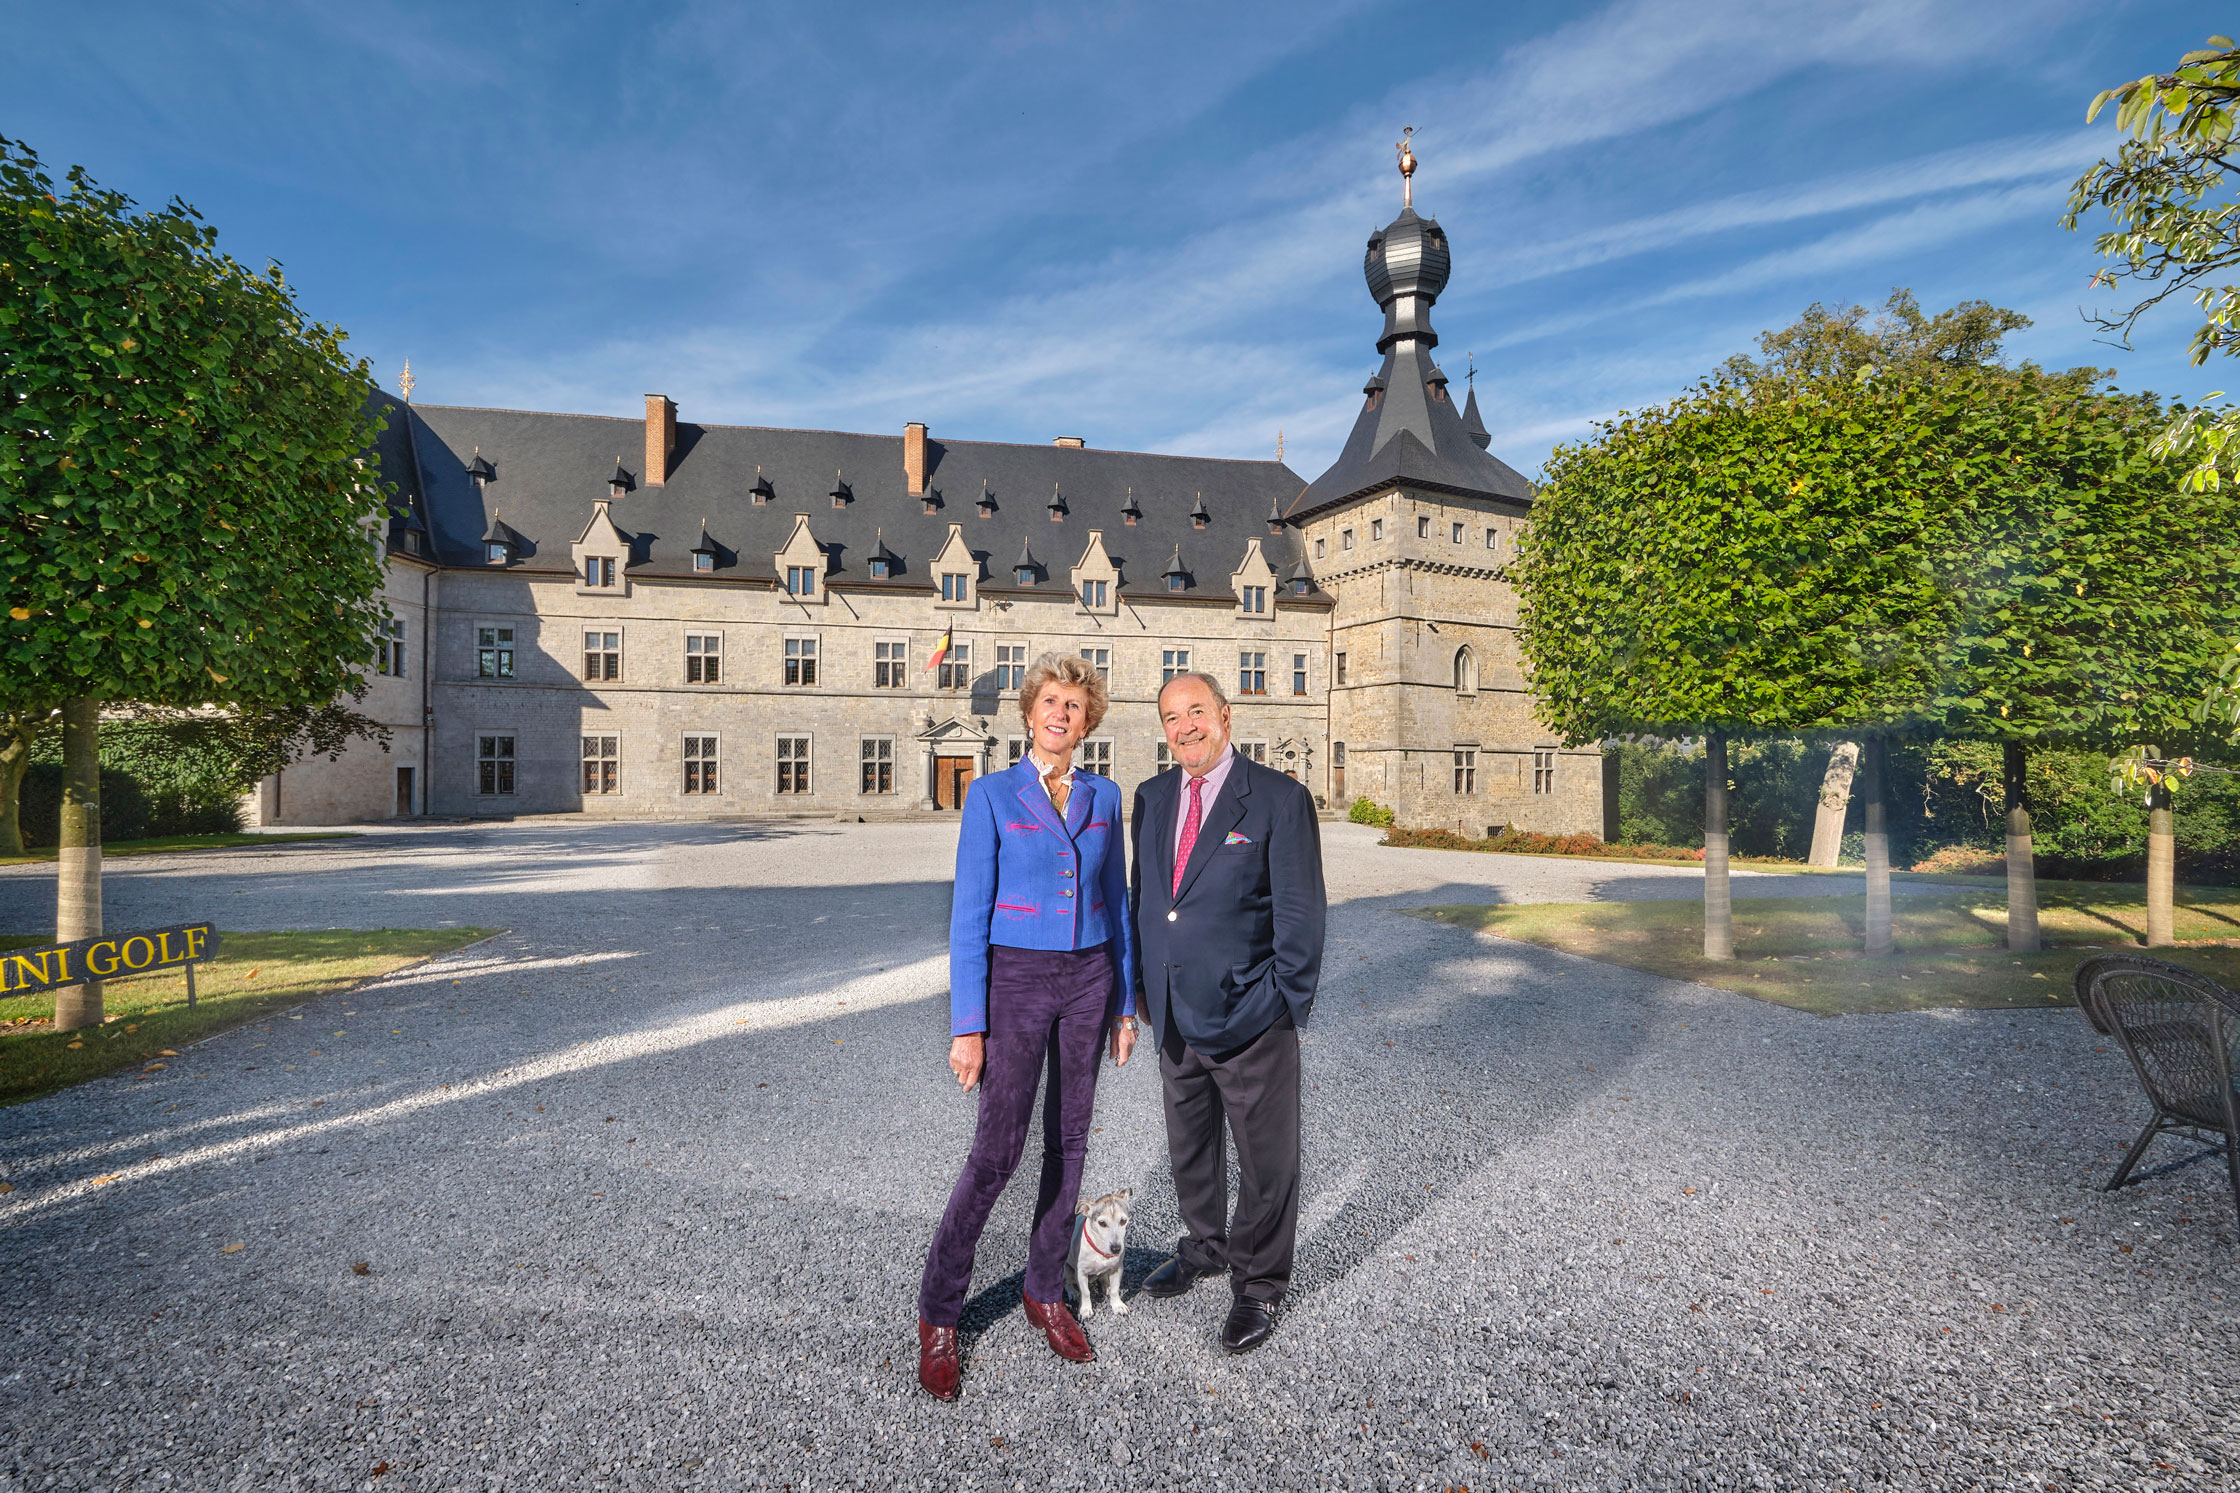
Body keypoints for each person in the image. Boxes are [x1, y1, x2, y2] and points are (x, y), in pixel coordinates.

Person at [916, 653, 1141, 1401]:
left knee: (1070, 1138)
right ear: (1030, 711)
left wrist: (1125, 1002)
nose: (1061, 714)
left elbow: (1118, 902)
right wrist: (967, 1024)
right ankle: (940, 1311)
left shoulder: (1106, 797)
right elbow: (966, 916)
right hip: (1014, 977)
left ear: (1089, 719)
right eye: (1051, 700)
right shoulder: (991, 793)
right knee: (996, 1150)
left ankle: (1046, 1288)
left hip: (1089, 980)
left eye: (1075, 705)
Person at [1129, 670, 1325, 1355]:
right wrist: (1144, 991)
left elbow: (1302, 920)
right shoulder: (1151, 798)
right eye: (1170, 717)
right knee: (1191, 1146)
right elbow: (1147, 899)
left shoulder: (1277, 799)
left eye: (1195, 711)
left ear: (1225, 715)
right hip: (1174, 1011)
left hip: (1251, 1017)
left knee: (1265, 1158)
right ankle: (1205, 1244)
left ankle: (1262, 1282)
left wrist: (1278, 1003)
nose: (1184, 726)